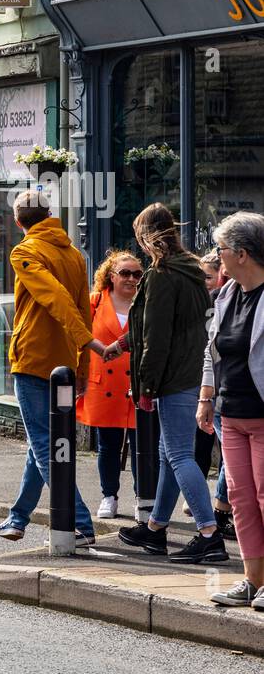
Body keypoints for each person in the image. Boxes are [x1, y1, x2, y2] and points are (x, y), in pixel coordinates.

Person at [0, 190, 106, 546]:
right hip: (65, 363)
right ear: (50, 215)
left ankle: (80, 522)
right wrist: (83, 363)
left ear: (18, 222)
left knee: (44, 444)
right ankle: (18, 518)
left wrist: (85, 341)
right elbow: (81, 306)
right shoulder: (74, 254)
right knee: (40, 442)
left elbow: (54, 296)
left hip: (32, 360)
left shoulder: (24, 251)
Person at [115, 203, 222, 562]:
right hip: (193, 371)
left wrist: (146, 386)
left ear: (147, 237)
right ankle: (156, 529)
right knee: (168, 454)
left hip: (173, 377)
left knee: (179, 455)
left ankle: (209, 534)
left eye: (139, 237)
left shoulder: (162, 274)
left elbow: (156, 337)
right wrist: (121, 345)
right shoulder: (191, 271)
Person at [199, 213, 264, 607]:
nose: (217, 256)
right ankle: (252, 581)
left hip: (262, 414)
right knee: (240, 499)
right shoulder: (226, 294)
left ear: (243, 253)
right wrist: (206, 399)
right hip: (231, 413)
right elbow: (213, 352)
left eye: (222, 249)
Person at [77, 250, 141, 519]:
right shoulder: (94, 302)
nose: (131, 279)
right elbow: (78, 339)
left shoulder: (147, 301)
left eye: (137, 274)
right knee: (108, 445)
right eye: (124, 273)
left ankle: (143, 498)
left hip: (138, 383)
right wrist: (78, 375)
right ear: (111, 276)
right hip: (103, 383)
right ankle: (109, 496)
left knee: (142, 445)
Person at [194, 251, 234, 535]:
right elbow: (210, 350)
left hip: (230, 393)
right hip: (221, 392)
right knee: (229, 459)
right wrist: (205, 397)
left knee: (230, 460)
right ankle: (216, 513)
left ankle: (218, 511)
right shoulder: (218, 299)